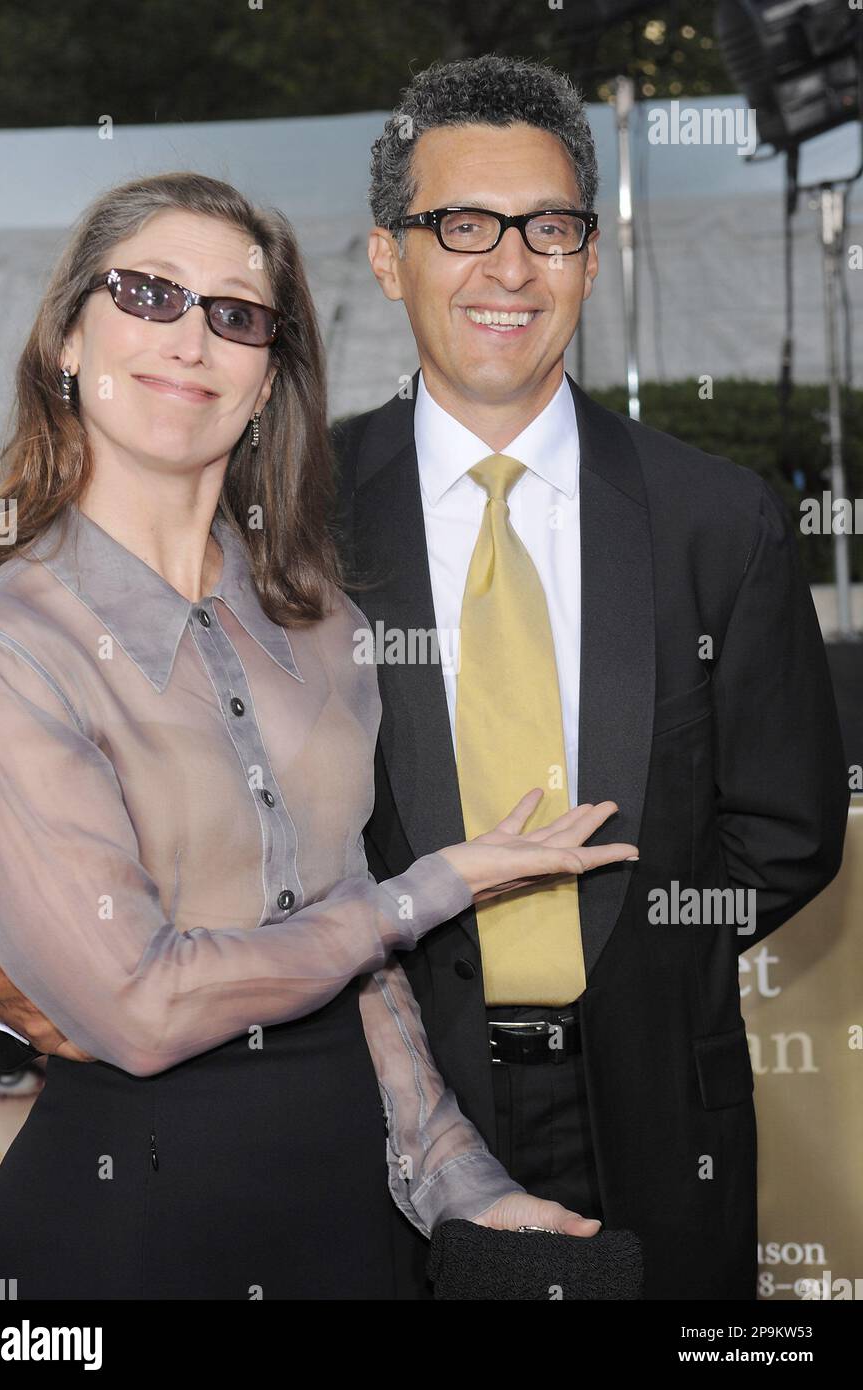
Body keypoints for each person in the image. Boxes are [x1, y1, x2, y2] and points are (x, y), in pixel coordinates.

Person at [0, 171, 639, 1300]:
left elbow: (359, 966)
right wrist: (427, 889)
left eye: (235, 315)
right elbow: (142, 1006)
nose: (189, 339)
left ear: (267, 379)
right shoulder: (6, 648)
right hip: (129, 1230)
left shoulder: (328, 630)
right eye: (147, 293)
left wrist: (458, 1180)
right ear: (67, 339)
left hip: (348, 1227)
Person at [329, 55, 849, 1299]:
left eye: (549, 227)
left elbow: (786, 830)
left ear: (593, 254)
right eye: (463, 225)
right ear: (389, 257)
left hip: (664, 1121)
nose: (511, 266)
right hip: (375, 1119)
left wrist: (642, 971)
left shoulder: (717, 520)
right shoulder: (293, 515)